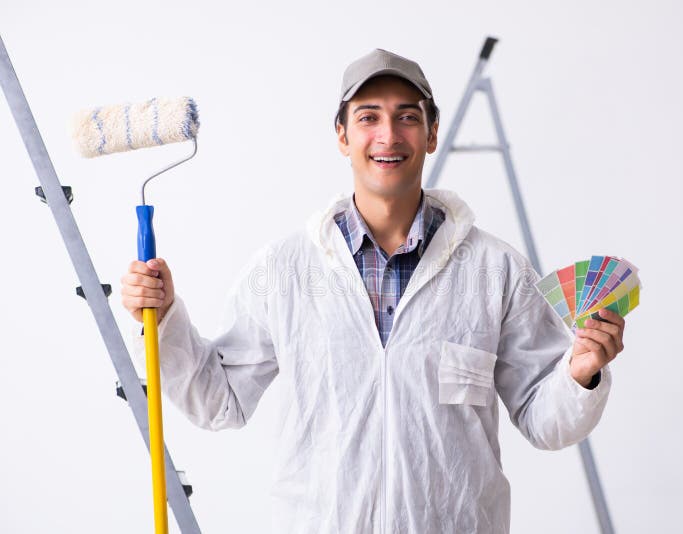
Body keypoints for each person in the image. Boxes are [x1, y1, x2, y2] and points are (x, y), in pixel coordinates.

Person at [121, 48, 626, 534]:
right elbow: (219, 400)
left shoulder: (495, 270)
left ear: (431, 134)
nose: (388, 135)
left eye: (407, 117)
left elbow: (545, 421)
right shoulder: (284, 270)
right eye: (368, 117)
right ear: (342, 135)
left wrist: (580, 373)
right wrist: (164, 319)